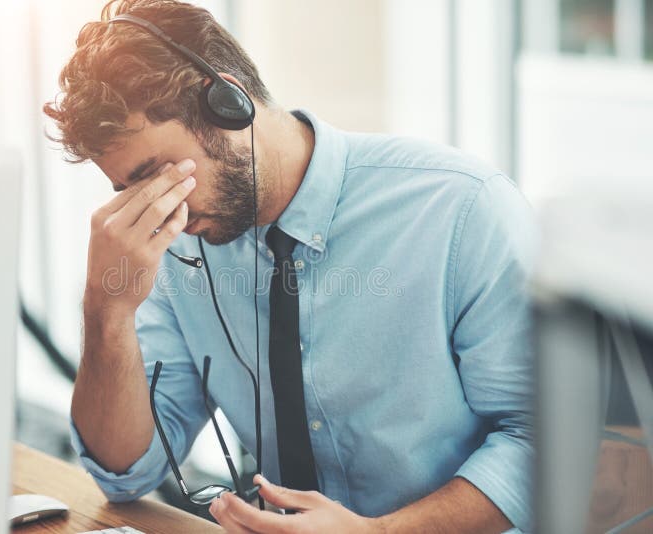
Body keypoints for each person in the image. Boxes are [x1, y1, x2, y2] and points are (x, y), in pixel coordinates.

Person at [43, 1, 536, 532]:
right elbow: (125, 472)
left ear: (226, 104)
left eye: (156, 174)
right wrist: (105, 308)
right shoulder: (176, 251)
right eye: (128, 190)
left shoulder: (461, 209)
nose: (164, 210)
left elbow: (549, 444)